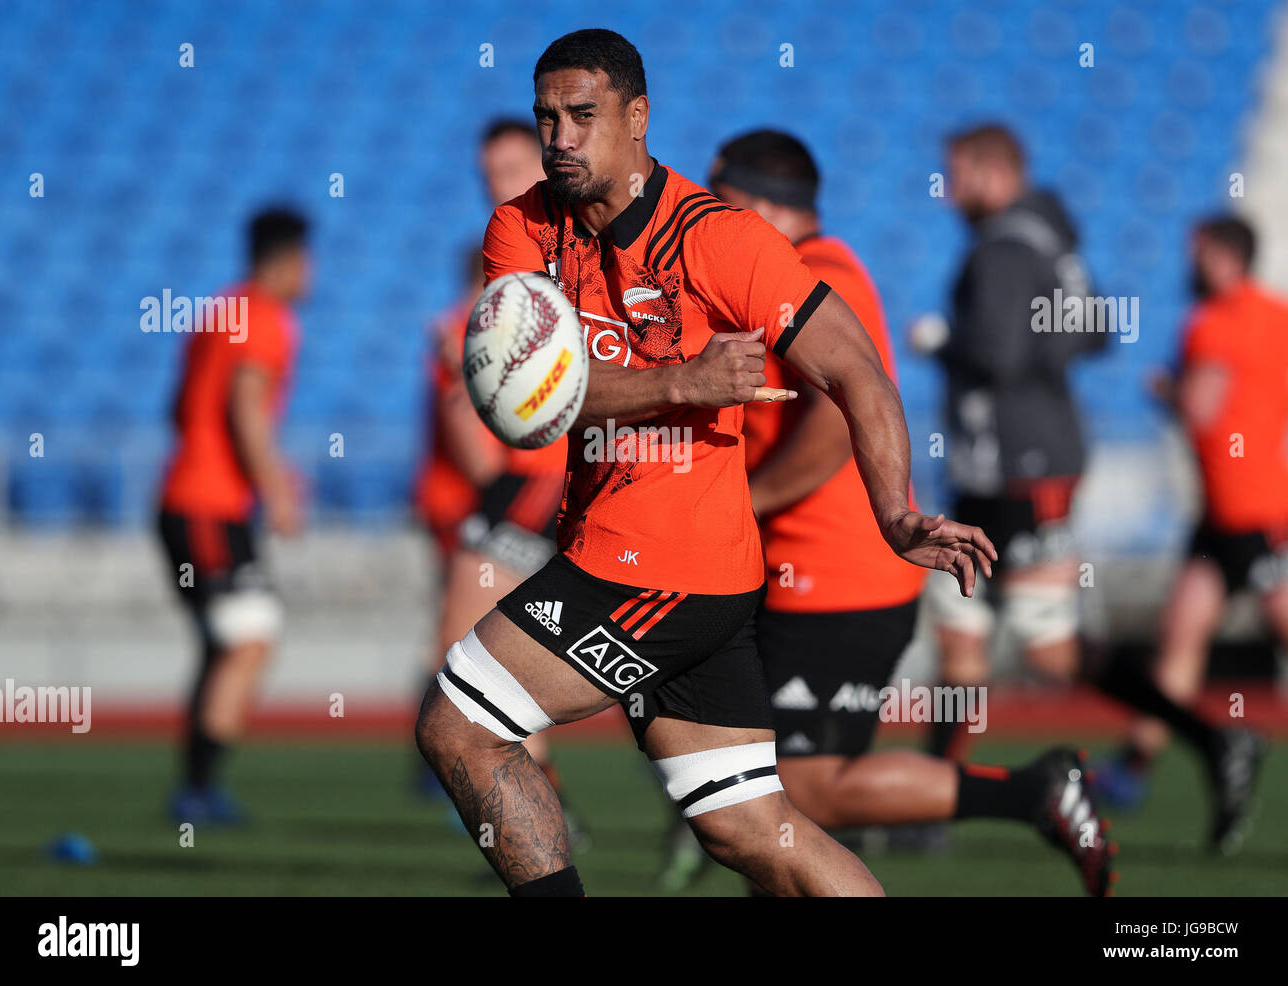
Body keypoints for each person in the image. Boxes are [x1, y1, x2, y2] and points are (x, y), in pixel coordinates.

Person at [413, 29, 995, 898]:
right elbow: (528, 400)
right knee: (754, 831)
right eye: (548, 118)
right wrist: (682, 378)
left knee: (458, 726)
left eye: (583, 115)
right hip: (655, 565)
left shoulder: (717, 239)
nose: (560, 137)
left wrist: (895, 511)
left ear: (637, 117)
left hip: (663, 566)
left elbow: (856, 367)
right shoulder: (521, 228)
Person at [656, 128, 1110, 896]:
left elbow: (834, 431)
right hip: (790, 577)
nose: (708, 216)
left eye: (721, 199)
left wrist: (737, 501)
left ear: (766, 204)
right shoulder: (775, 276)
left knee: (810, 791)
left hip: (839, 579)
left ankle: (1035, 792)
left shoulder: (820, 276)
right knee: (765, 798)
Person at [911, 124, 1106, 765]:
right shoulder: (1051, 239)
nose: (948, 193)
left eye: (957, 175)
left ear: (994, 173)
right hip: (1020, 461)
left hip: (1018, 465)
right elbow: (1099, 328)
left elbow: (998, 352)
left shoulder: (1000, 248)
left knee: (1046, 646)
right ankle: (936, 788)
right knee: (961, 620)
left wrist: (940, 341)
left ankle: (1202, 734)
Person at [413, 122, 582, 839]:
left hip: (542, 486)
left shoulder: (570, 256)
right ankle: (545, 814)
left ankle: (543, 817)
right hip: (514, 489)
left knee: (465, 655)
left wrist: (464, 371)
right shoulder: (488, 294)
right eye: (487, 173)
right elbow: (481, 457)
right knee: (485, 661)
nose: (495, 185)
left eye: (509, 168)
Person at [1093, 216, 1273, 853]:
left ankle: (1153, 766)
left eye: (1197, 253)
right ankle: (1136, 766)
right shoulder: (1275, 315)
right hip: (1226, 516)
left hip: (1260, 516)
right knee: (1183, 631)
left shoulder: (1213, 322)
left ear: (1224, 257)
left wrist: (1166, 389)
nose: (1188, 264)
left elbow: (1200, 406)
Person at [158, 207, 310, 824]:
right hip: (206, 506)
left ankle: (195, 787)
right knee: (248, 635)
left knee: (225, 642)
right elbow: (245, 406)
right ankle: (196, 792)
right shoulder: (266, 318)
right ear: (288, 260)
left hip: (193, 499)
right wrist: (274, 486)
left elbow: (180, 406)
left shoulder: (220, 310)